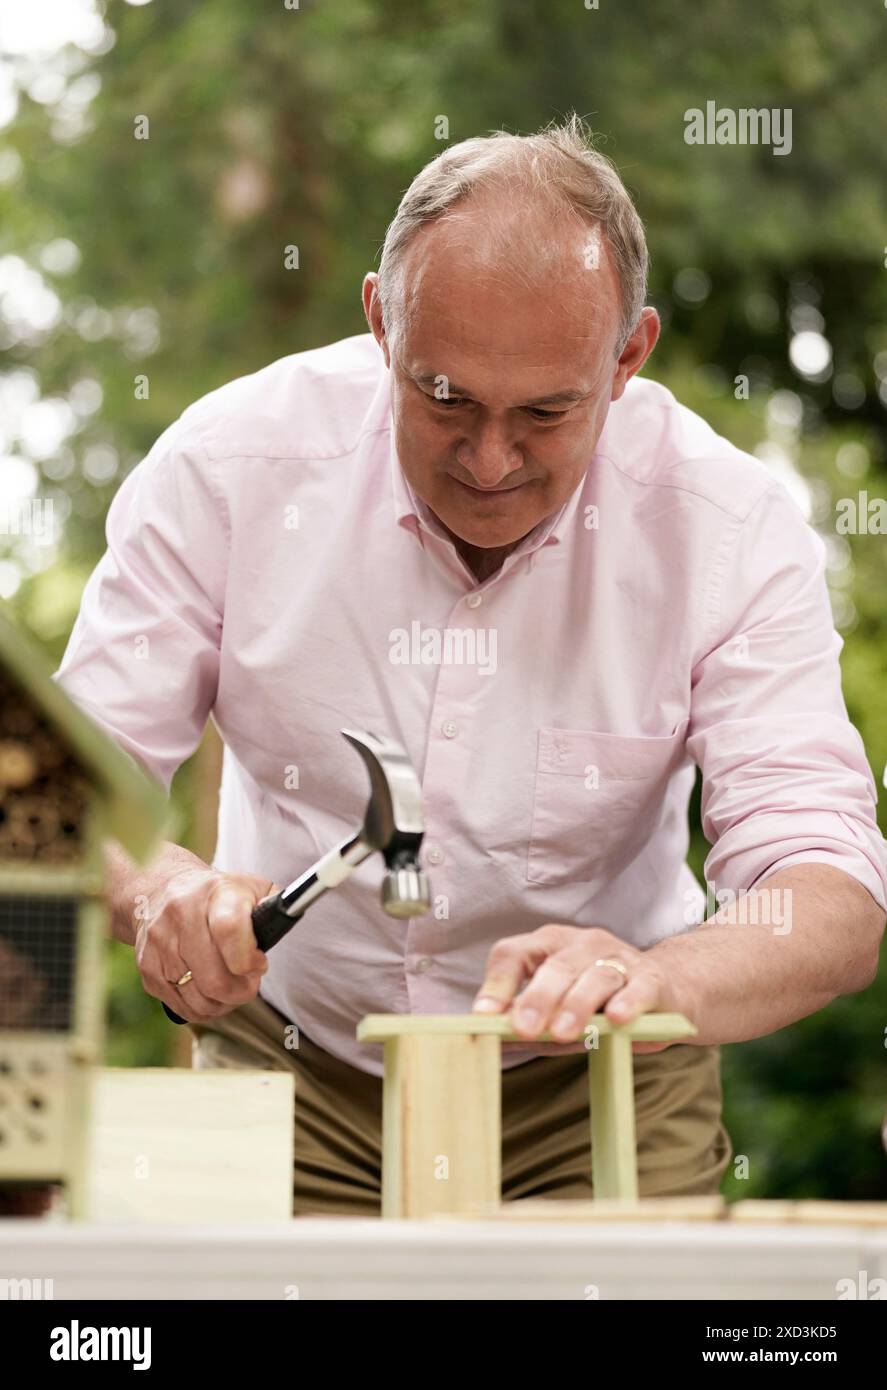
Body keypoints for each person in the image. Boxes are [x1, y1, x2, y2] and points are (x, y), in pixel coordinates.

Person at [55, 116, 887, 1215]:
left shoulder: (725, 530)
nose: (489, 461)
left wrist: (657, 979)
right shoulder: (228, 470)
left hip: (606, 1077)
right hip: (292, 1061)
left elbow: (826, 891)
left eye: (545, 412)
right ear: (379, 324)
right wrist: (163, 890)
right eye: (441, 395)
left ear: (626, 356)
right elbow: (52, 801)